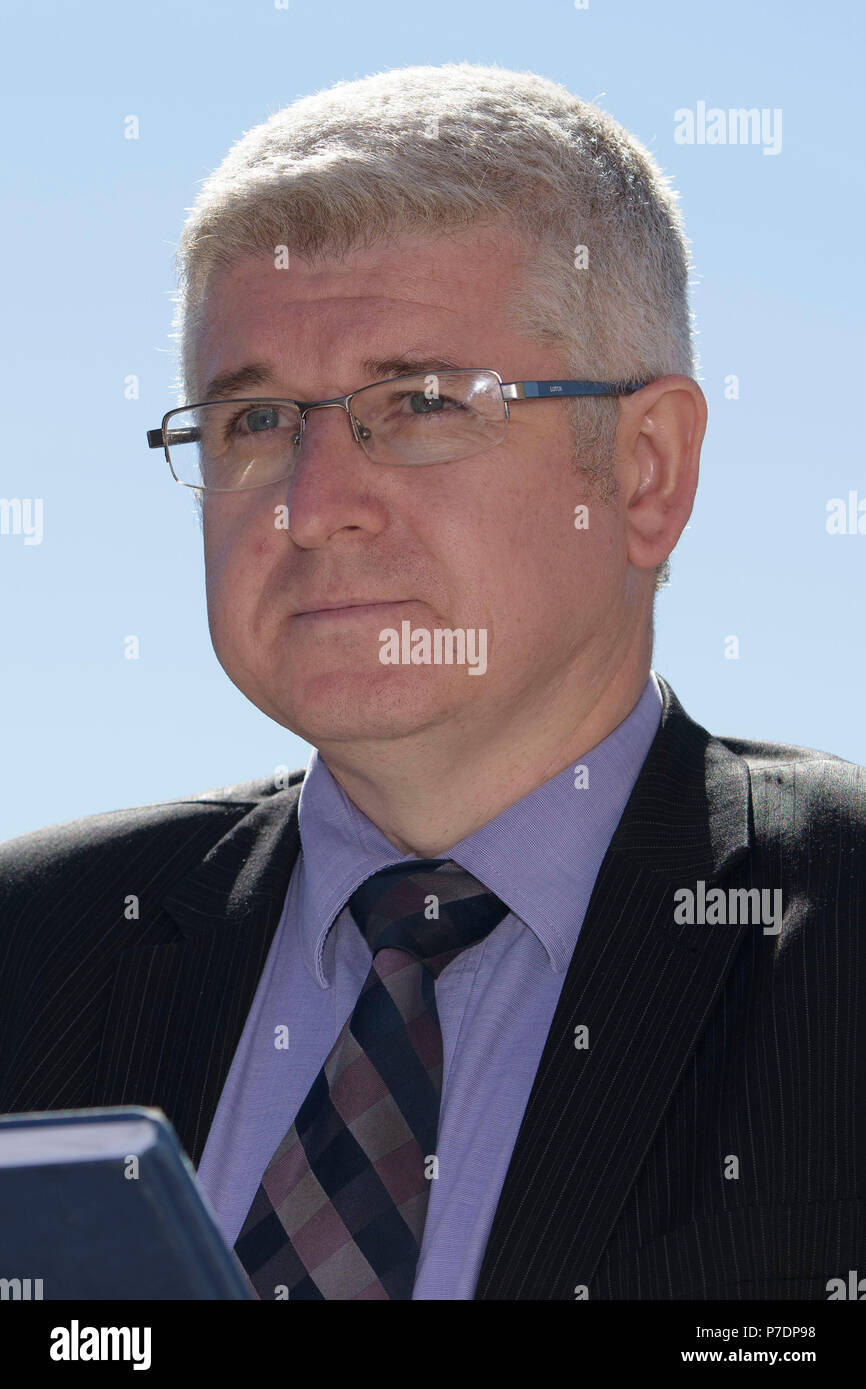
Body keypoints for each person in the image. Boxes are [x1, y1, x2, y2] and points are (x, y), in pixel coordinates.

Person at [1, 63, 863, 1301]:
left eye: (417, 402)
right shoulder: (34, 947)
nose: (309, 507)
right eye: (254, 424)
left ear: (643, 471)